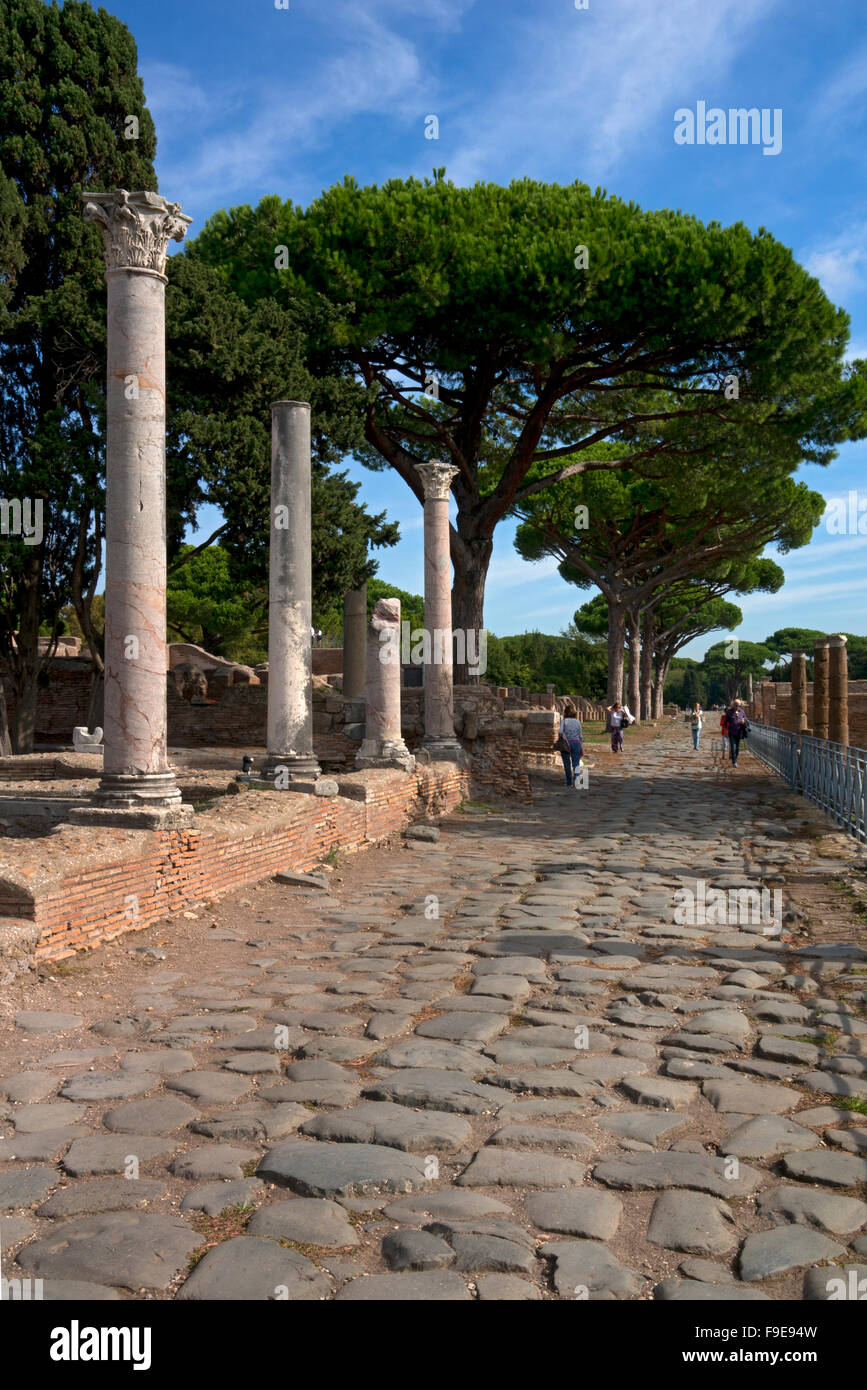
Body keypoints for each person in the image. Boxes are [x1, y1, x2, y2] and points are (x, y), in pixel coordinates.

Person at [558, 702, 583, 787]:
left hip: (566, 743)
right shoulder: (578, 722)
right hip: (576, 743)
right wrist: (581, 746)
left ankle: (569, 783)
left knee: (567, 764)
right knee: (576, 763)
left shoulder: (564, 721)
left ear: (565, 713)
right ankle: (577, 779)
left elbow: (560, 732)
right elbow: (580, 736)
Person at [724, 699, 748, 767]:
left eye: (739, 705)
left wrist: (743, 720)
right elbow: (725, 723)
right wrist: (725, 732)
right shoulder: (729, 712)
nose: (738, 707)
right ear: (733, 705)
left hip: (739, 732)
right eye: (736, 705)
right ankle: (734, 762)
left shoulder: (742, 712)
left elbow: (745, 718)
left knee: (737, 748)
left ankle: (735, 758)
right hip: (731, 732)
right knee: (733, 747)